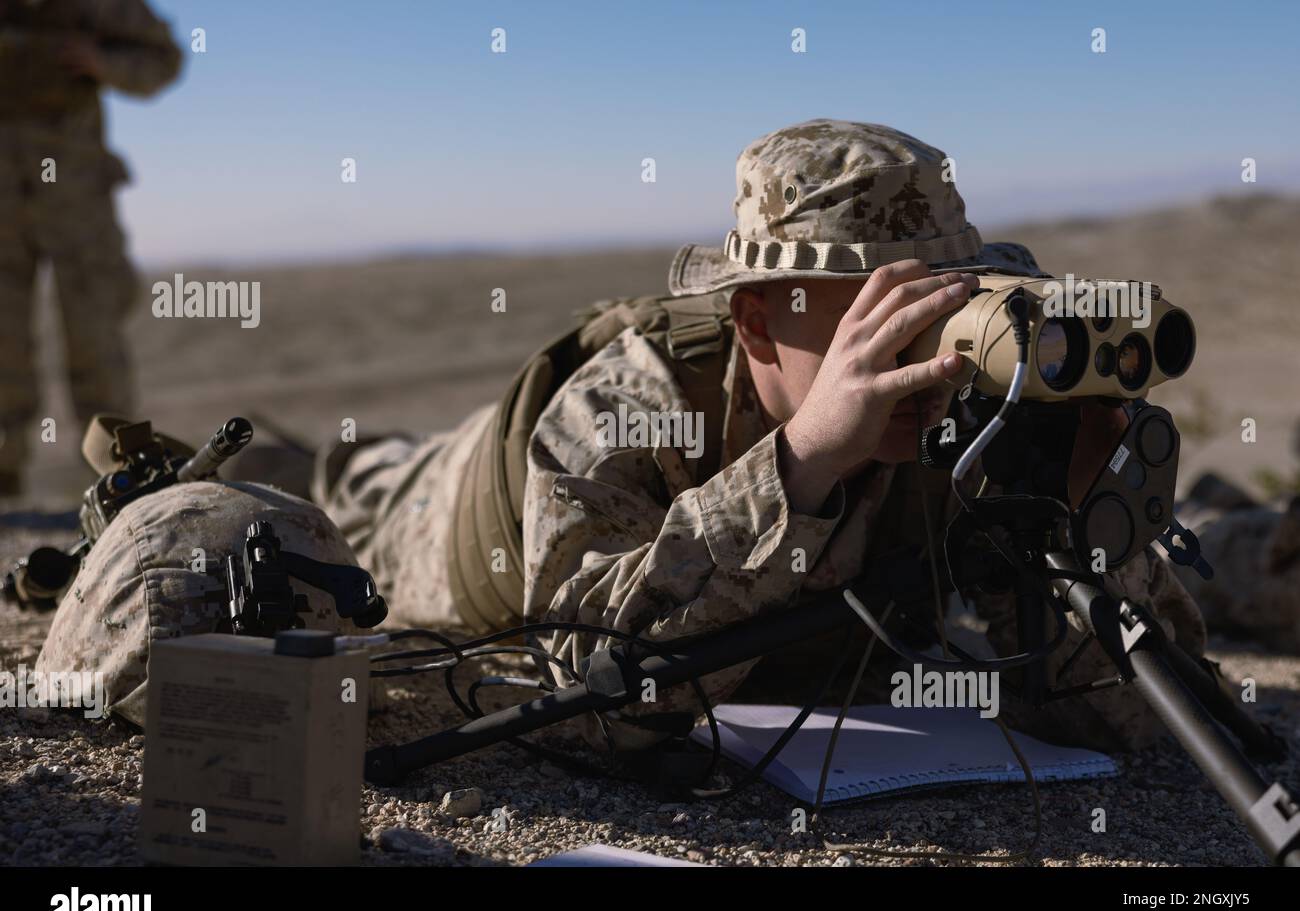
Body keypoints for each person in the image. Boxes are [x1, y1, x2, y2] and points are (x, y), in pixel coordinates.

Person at [312, 119, 1208, 753]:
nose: (918, 358)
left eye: (944, 310)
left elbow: (1127, 720)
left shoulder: (959, 412)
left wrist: (1094, 530)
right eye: (877, 321)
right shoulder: (633, 401)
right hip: (443, 507)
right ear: (755, 324)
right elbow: (598, 696)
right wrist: (805, 459)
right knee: (355, 481)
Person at [0, 0, 182, 495]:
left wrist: (104, 64)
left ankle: (120, 475)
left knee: (94, 334)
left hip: (74, 192)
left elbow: (165, 59)